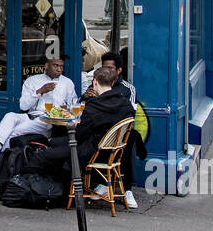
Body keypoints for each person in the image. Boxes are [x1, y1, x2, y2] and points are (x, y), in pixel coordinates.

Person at [38, 65, 140, 208]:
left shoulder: (94, 106)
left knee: (47, 151)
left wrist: (75, 125)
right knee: (54, 143)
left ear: (95, 82)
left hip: (92, 152)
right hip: (114, 154)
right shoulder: (125, 104)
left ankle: (49, 191)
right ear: (112, 83)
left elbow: (79, 136)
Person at [0, 57, 77, 170]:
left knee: (14, 132)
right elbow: (23, 106)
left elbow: (74, 104)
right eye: (55, 66)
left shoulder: (67, 83)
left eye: (61, 66)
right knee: (10, 116)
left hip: (47, 120)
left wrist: (67, 107)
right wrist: (39, 92)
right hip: (30, 115)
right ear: (46, 66)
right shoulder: (32, 81)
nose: (59, 69)